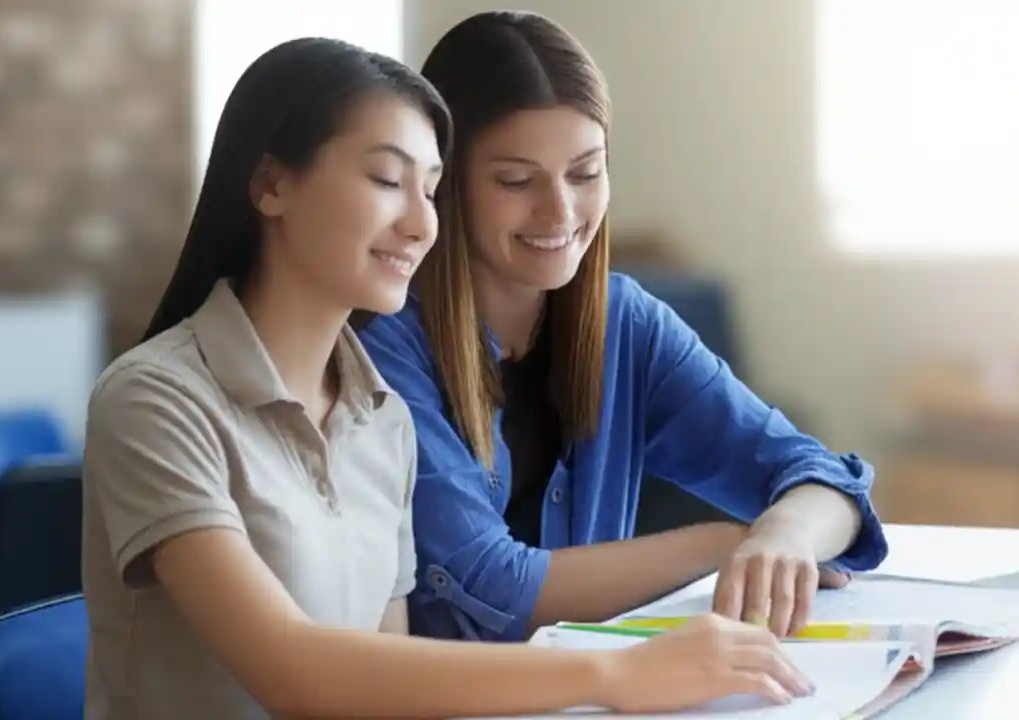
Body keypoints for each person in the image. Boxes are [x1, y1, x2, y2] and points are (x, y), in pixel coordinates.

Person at [80, 37, 810, 719]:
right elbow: (294, 673)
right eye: (387, 180)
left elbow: (389, 680)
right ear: (272, 183)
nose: (422, 225)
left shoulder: (379, 415)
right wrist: (618, 672)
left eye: (430, 191)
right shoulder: (155, 401)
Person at [359, 10, 889, 644]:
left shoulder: (625, 326)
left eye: (585, 173)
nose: (560, 211)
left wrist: (783, 536)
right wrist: (724, 544)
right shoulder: (383, 344)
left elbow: (823, 479)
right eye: (517, 181)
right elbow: (491, 583)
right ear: (442, 183)